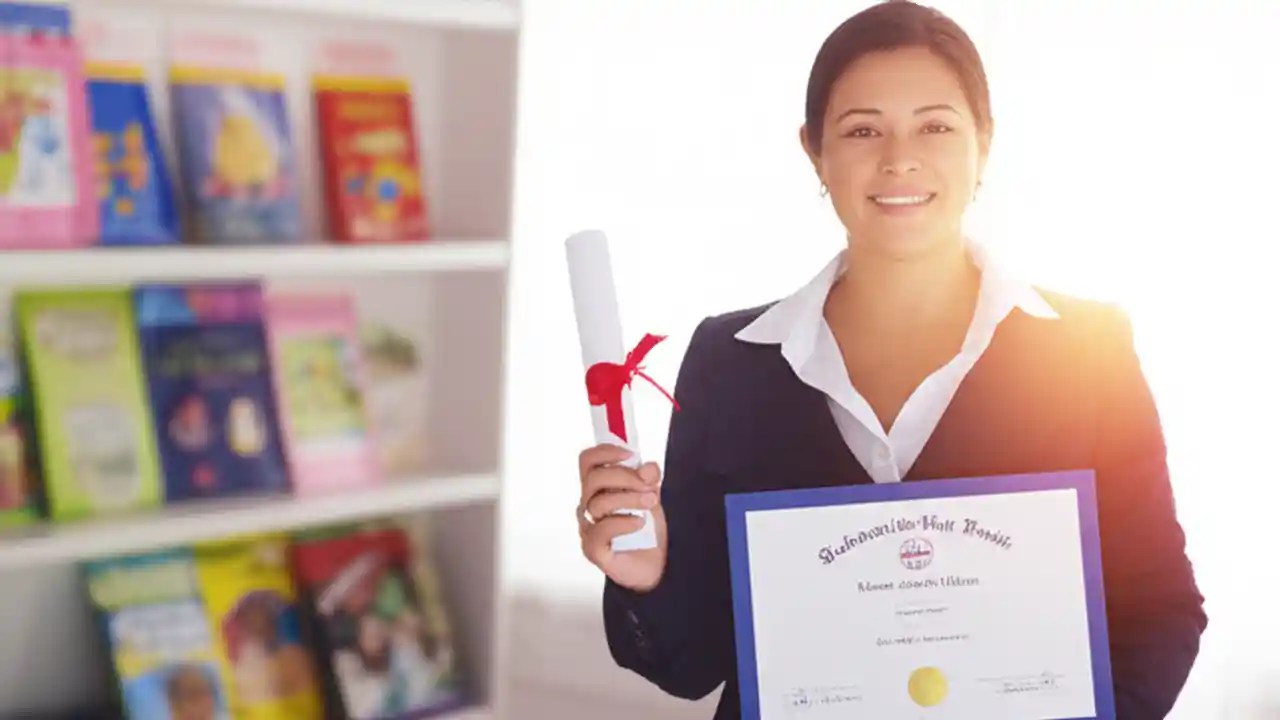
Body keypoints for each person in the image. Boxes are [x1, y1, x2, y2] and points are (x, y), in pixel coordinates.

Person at [575, 2, 1207, 719]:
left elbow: (1160, 613)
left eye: (935, 126)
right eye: (862, 129)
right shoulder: (729, 361)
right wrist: (647, 575)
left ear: (984, 144)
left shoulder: (1087, 349)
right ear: (814, 151)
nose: (899, 158)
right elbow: (693, 665)